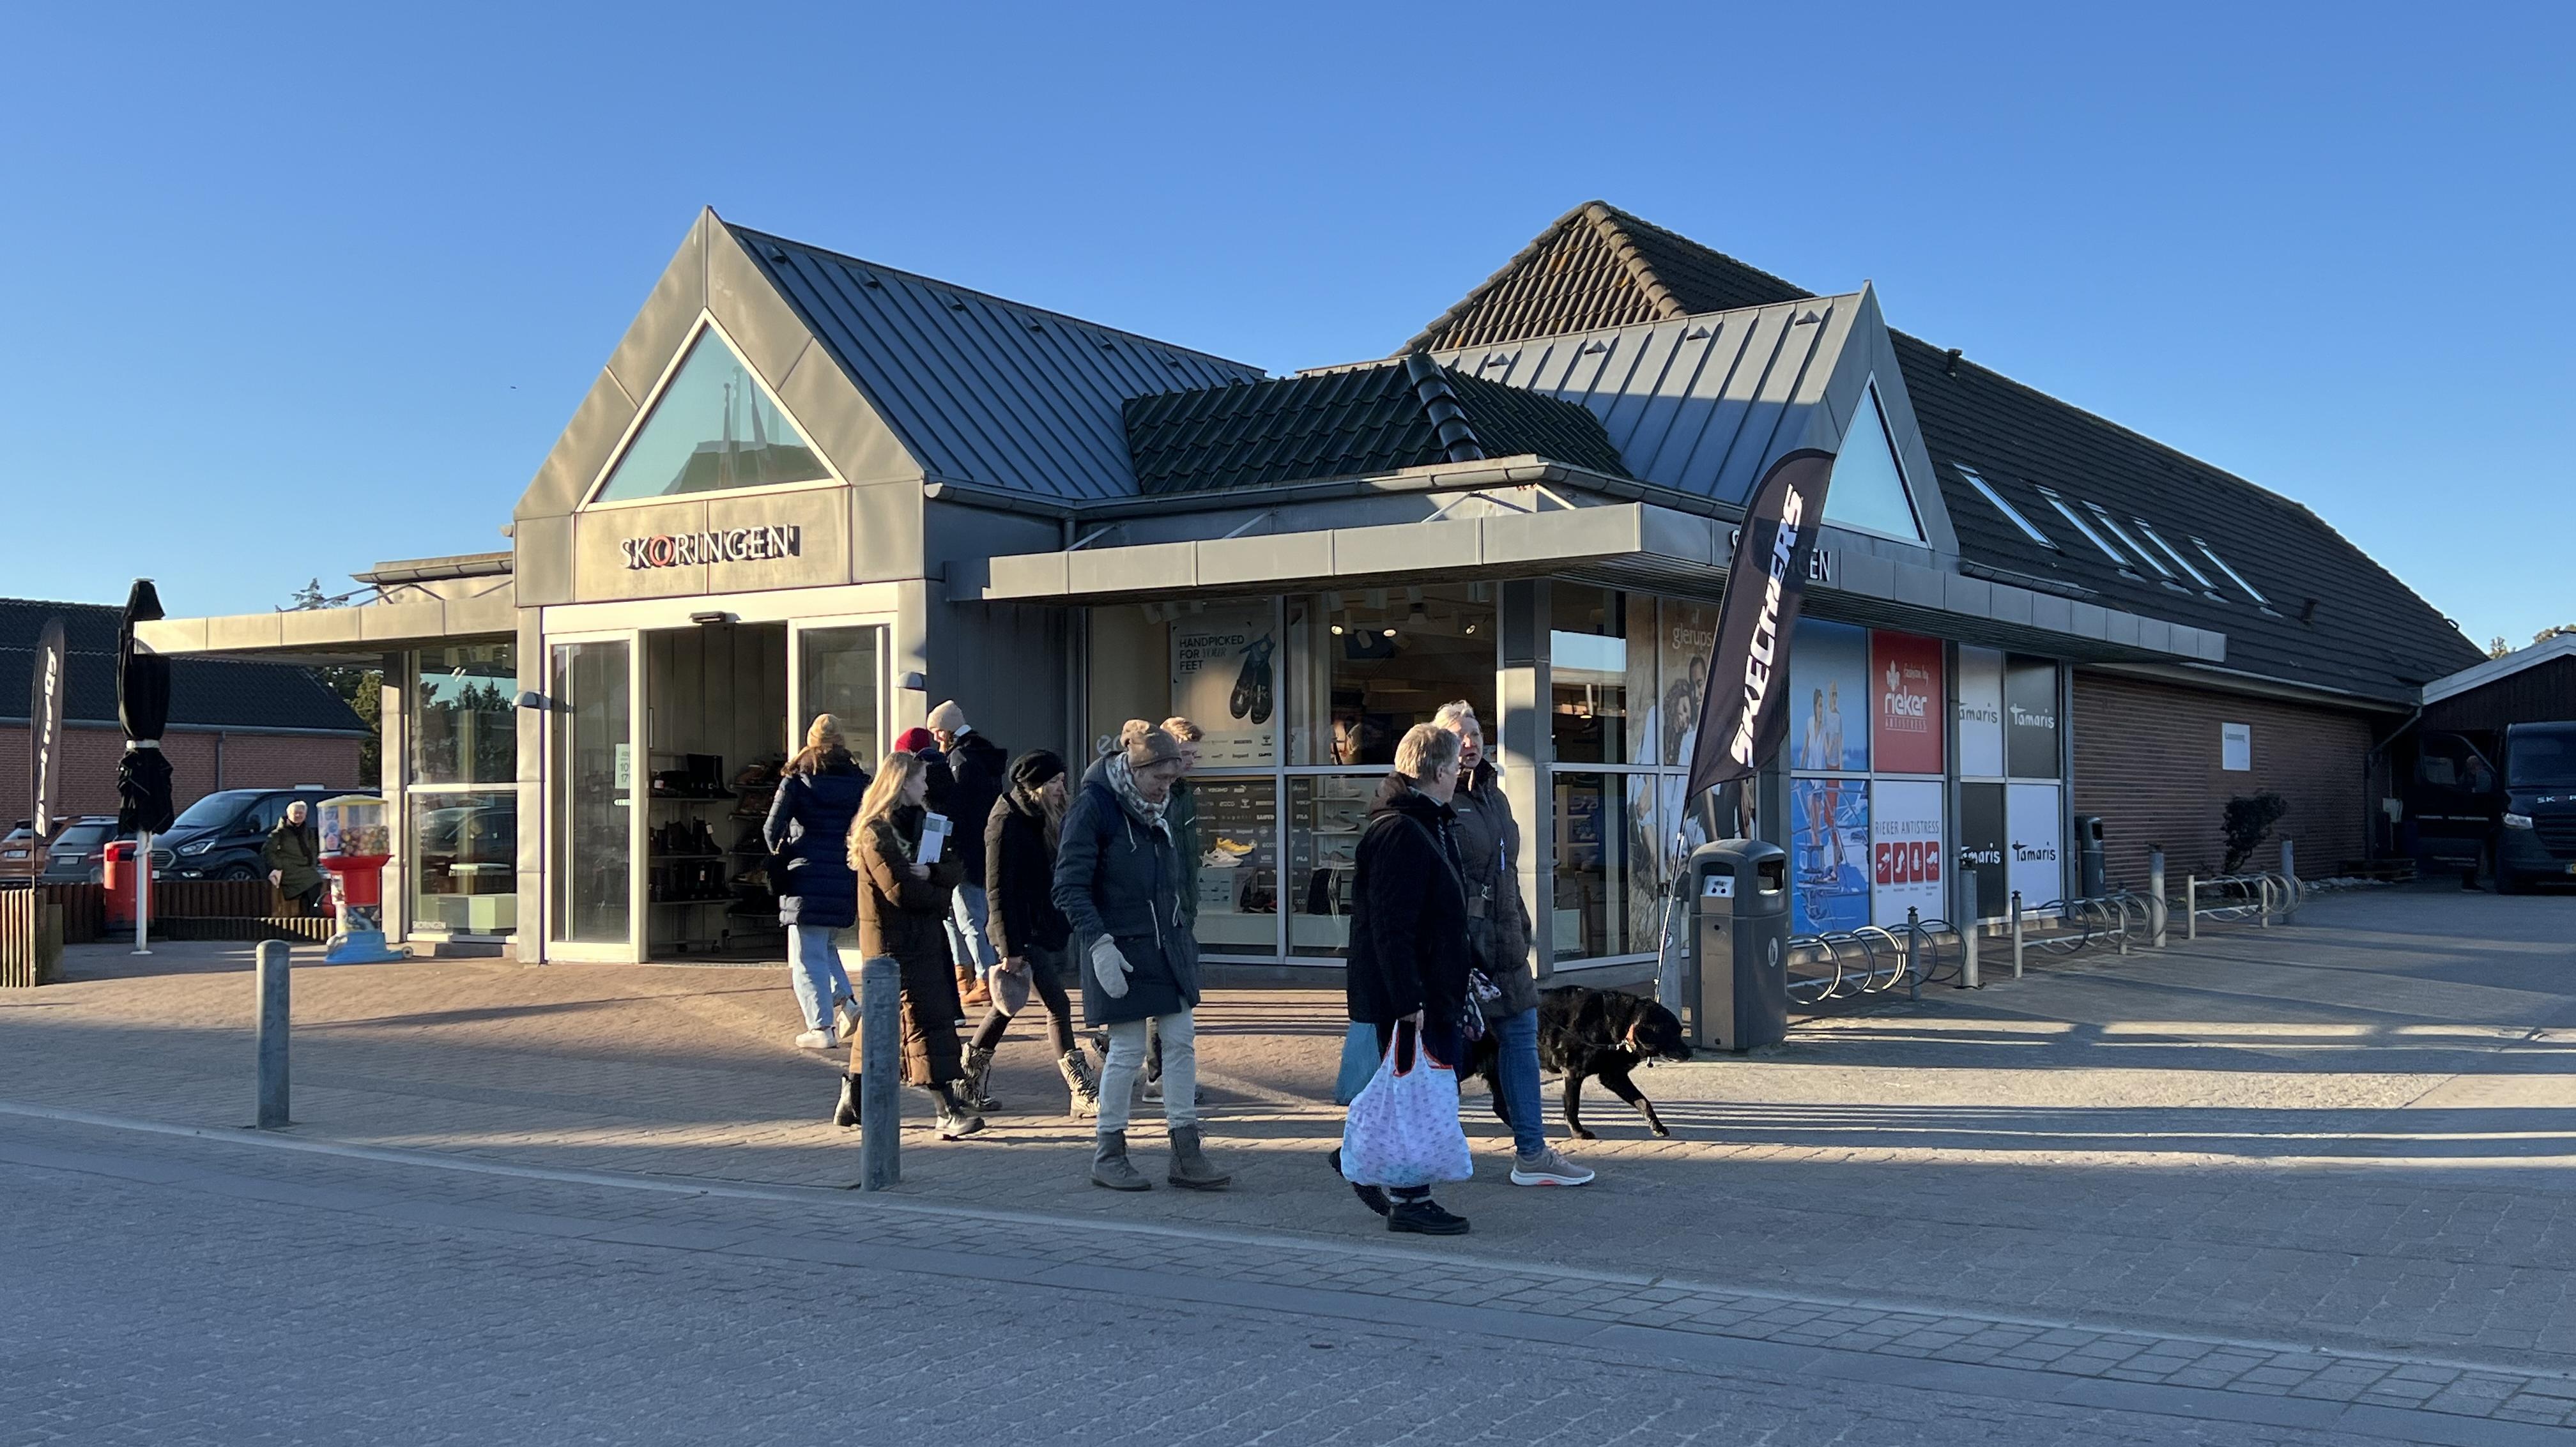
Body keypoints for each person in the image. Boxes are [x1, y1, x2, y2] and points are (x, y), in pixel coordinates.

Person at [1053, 721, 1229, 1192]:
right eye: (1161, 779)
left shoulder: (1161, 805)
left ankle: (1186, 1149)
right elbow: (1068, 884)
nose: (1166, 789)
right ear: (1138, 767)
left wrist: (1181, 926)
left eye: (1173, 780)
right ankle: (1109, 1151)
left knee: (1181, 1040)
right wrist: (1098, 942)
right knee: (1128, 1050)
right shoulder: (1095, 806)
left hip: (1165, 944)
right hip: (1119, 946)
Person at [1434, 703, 1593, 1188]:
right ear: (1439, 743)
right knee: (1447, 1055)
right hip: (1463, 949)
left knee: (1522, 1041)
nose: (1470, 741)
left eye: (1476, 732)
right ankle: (1433, 1143)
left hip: (1505, 945)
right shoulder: (1436, 801)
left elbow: (1506, 870)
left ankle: (1532, 1152)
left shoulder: (1493, 795)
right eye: (1459, 734)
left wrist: (1521, 924)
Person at [1338, 723, 1477, 1235]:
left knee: (1419, 1088)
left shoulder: (1429, 822)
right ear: (1439, 770)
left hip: (1431, 987)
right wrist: (1408, 998)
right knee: (1411, 1090)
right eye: (1457, 767)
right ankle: (1408, 1196)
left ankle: (1376, 1163)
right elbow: (1389, 925)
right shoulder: (1400, 829)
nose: (1461, 776)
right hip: (1412, 994)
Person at [841, 749, 983, 1139]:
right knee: (920, 1020)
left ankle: (852, 1096)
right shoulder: (875, 831)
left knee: (886, 1019)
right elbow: (900, 890)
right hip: (892, 942)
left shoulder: (928, 823)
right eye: (920, 780)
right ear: (901, 783)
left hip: (926, 938)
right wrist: (938, 891)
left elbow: (955, 866)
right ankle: (946, 1108)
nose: (925, 788)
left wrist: (934, 872)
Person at [963, 750, 1100, 1117]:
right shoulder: (1006, 820)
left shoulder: (1047, 815)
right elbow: (998, 889)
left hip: (1038, 924)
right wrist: (1010, 947)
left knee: (1006, 1005)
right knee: (1058, 1004)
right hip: (1019, 930)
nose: (1061, 788)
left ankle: (967, 1080)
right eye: (1054, 782)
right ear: (1035, 785)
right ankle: (1081, 1090)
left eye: (1062, 780)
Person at [765, 715, 868, 1052]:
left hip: (805, 872)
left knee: (807, 954)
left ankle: (821, 1026)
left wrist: (783, 852)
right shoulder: (857, 779)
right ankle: (849, 1005)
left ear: (811, 739)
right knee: (824, 943)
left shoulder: (797, 778)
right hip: (842, 870)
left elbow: (771, 829)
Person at [929, 700, 1006, 1009]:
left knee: (968, 918)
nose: (936, 739)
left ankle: (983, 980)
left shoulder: (960, 758)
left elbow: (954, 807)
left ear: (946, 730)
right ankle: (970, 979)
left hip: (963, 850)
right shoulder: (984, 756)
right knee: (963, 916)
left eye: (937, 732)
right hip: (985, 847)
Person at [1142, 716, 1203, 1105]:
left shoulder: (1184, 794)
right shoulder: (1157, 796)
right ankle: (1158, 1075)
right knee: (1166, 992)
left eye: (1195, 754)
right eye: (1184, 754)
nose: (1191, 761)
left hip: (1182, 901)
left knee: (1176, 992)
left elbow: (1188, 853)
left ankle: (1160, 1070)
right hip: (1163, 905)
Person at [263, 800, 326, 915]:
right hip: (290, 870)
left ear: (305, 815)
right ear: (288, 814)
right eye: (295, 813)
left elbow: (313, 849)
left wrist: (312, 863)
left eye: (301, 813)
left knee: (315, 888)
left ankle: (313, 915)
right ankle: (314, 915)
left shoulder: (308, 832)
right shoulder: (279, 833)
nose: (298, 816)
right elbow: (267, 851)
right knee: (313, 886)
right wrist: (279, 865)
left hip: (306, 869)